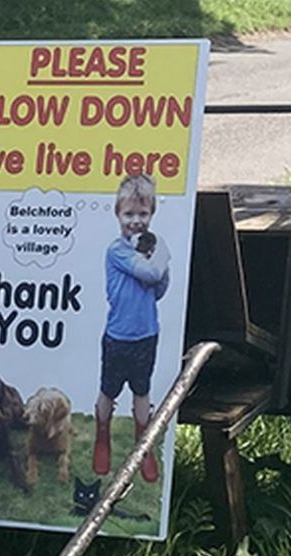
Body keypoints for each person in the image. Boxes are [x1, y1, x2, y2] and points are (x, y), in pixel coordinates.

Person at [93, 173, 170, 483]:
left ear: (151, 213)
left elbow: (159, 288)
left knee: (142, 391)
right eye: (129, 214)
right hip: (118, 337)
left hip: (146, 334)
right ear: (118, 214)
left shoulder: (147, 249)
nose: (136, 221)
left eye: (143, 214)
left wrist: (161, 266)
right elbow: (152, 273)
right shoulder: (118, 251)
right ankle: (102, 437)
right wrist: (162, 252)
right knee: (108, 390)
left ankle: (143, 447)